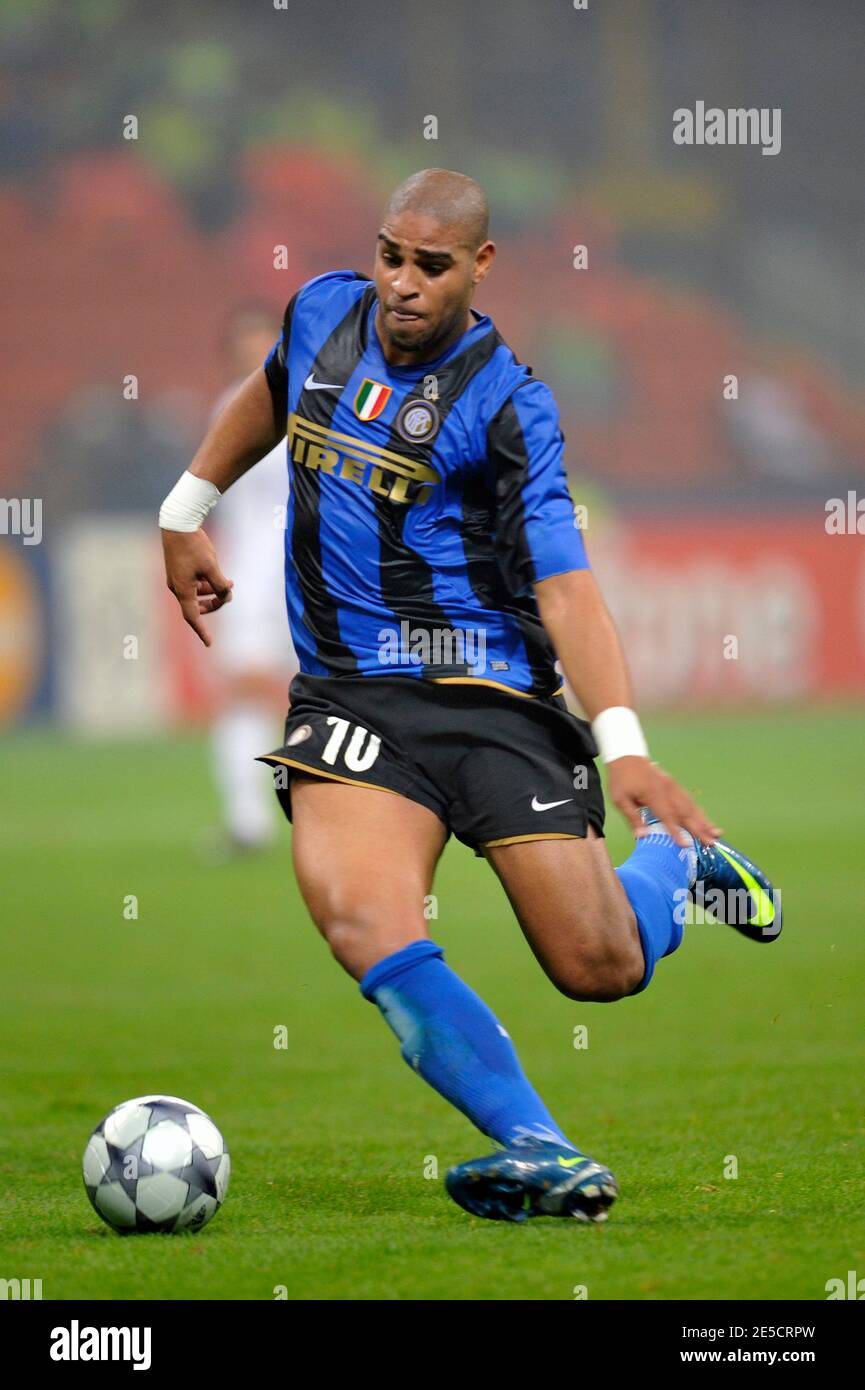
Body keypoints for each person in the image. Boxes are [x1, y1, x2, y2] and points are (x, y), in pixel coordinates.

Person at [159, 168, 782, 1224]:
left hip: (490, 695)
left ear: (479, 267)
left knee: (597, 967)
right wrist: (186, 508)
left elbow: (566, 585)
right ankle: (539, 1145)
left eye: (430, 266)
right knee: (361, 917)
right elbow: (270, 391)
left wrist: (623, 747)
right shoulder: (320, 312)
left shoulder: (509, 406)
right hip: (353, 698)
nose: (400, 283)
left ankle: (676, 864)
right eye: (389, 254)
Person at [203, 305, 296, 858]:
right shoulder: (231, 408)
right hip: (248, 577)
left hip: (311, 574)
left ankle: (336, 816)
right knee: (243, 692)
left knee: (325, 696)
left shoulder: (316, 406)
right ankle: (247, 820)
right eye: (246, 340)